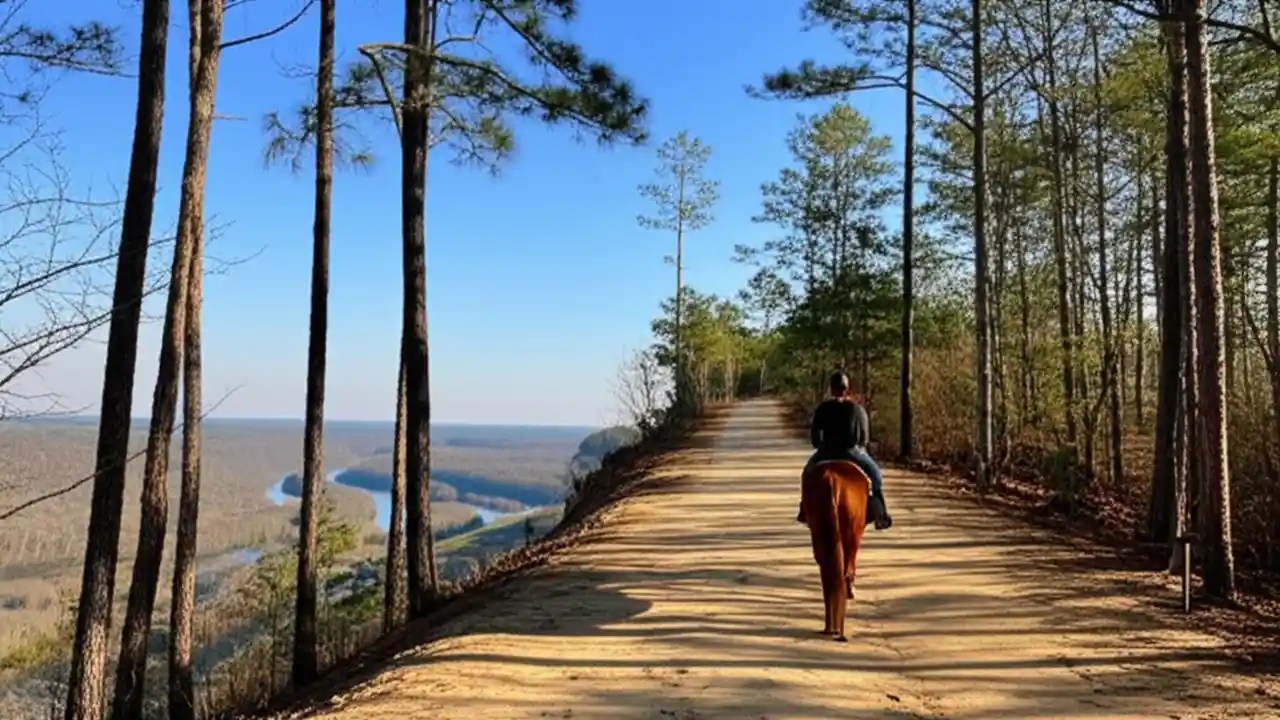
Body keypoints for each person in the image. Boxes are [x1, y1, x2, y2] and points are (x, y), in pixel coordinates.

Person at [796, 371, 892, 530]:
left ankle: (804, 509)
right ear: (847, 389)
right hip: (852, 452)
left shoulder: (823, 408)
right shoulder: (858, 409)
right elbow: (864, 439)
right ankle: (881, 514)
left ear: (831, 389)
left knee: (807, 474)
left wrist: (823, 446)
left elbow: (815, 439)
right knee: (876, 477)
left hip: (826, 452)